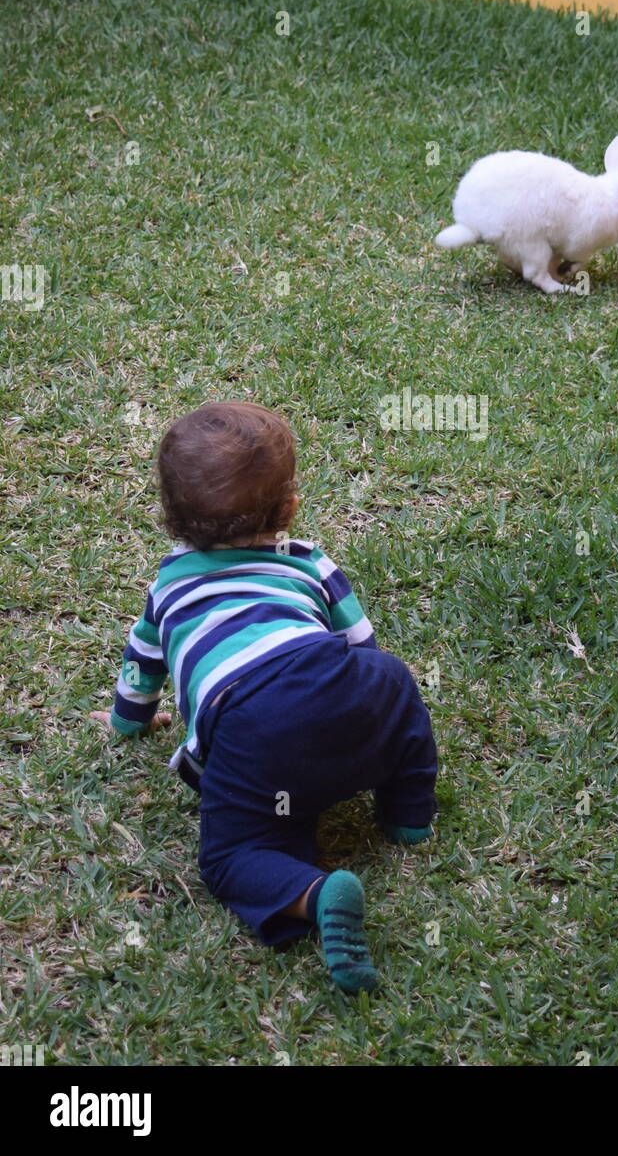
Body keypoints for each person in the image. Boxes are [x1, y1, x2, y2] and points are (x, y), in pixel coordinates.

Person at [92, 400, 438, 993]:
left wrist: (128, 724)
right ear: (290, 508)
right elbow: (363, 646)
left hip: (259, 728)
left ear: (170, 520)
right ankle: (409, 814)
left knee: (231, 855)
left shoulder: (168, 586)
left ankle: (311, 892)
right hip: (347, 685)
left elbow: (141, 669)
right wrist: (363, 701)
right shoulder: (307, 561)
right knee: (393, 685)